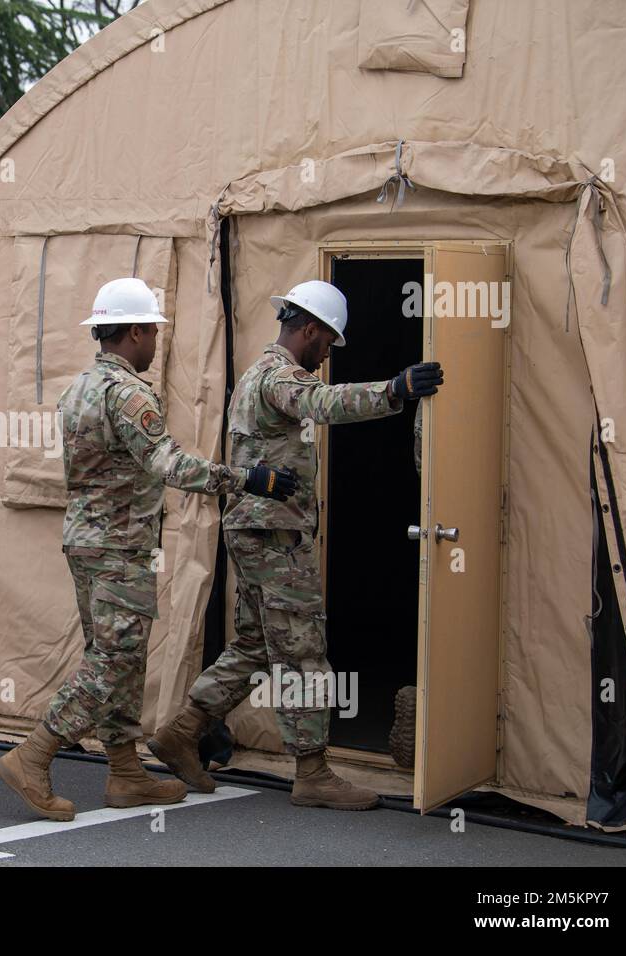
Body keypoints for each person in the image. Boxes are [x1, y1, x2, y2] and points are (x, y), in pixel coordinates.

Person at [0, 277, 297, 822]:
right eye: (153, 329)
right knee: (113, 663)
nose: (156, 340)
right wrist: (247, 478)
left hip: (87, 542)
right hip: (119, 548)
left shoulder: (80, 387)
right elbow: (170, 464)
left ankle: (125, 771)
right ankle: (33, 754)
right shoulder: (129, 393)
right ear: (134, 331)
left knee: (120, 662)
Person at [148, 280, 443, 810]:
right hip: (275, 537)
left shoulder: (256, 374)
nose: (327, 354)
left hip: (253, 530)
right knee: (303, 652)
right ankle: (312, 771)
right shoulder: (282, 375)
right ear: (308, 330)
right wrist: (394, 390)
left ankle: (182, 731)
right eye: (327, 342)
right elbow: (322, 402)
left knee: (254, 647)